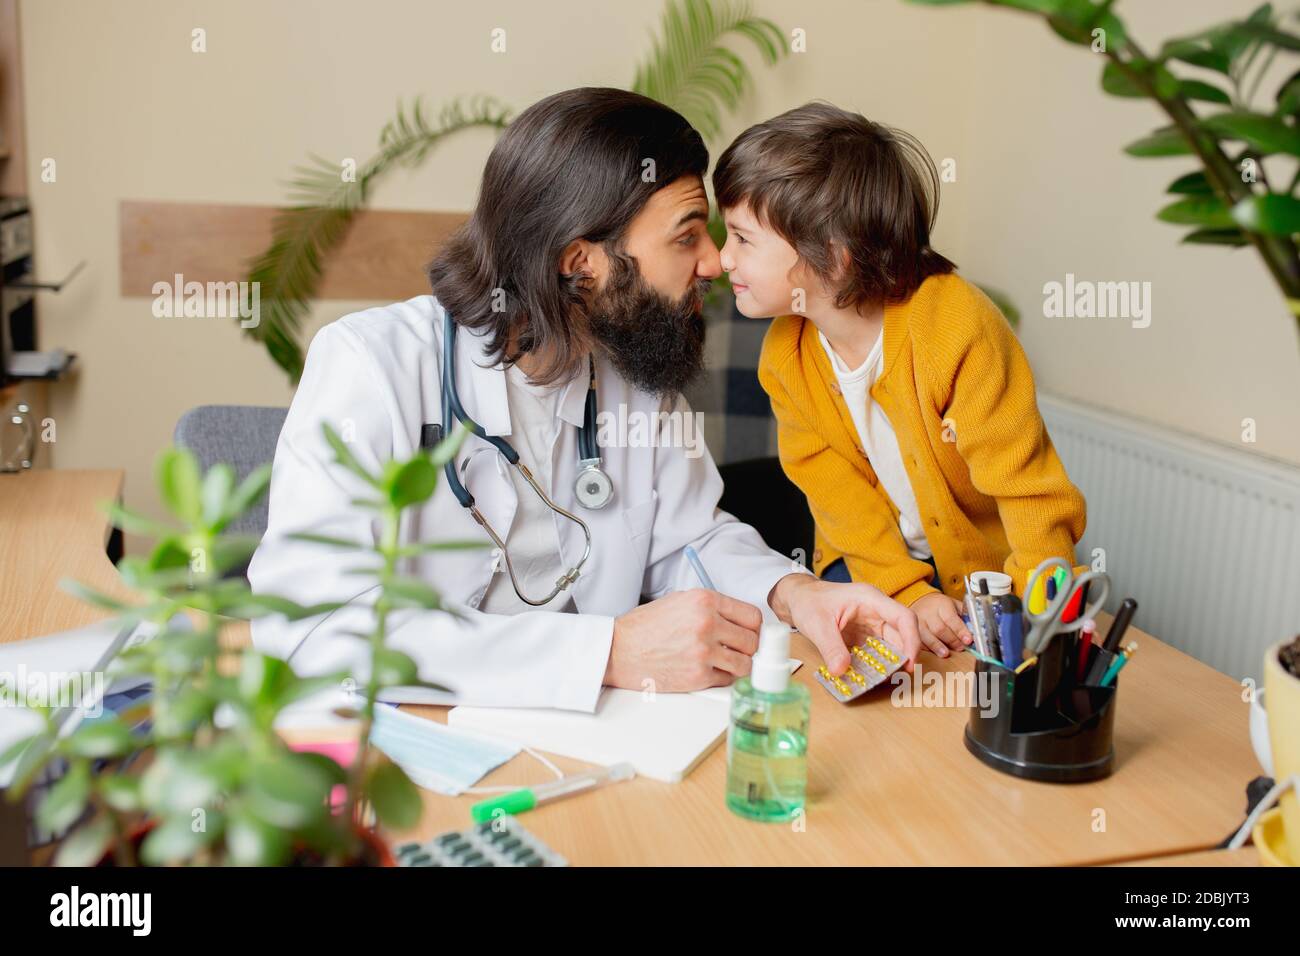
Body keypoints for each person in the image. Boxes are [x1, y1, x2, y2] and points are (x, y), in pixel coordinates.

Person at [248, 88, 920, 712]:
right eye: (687, 235)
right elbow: (311, 628)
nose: (713, 262)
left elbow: (690, 540)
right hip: (421, 740)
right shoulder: (374, 368)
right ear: (580, 263)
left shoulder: (631, 371)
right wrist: (606, 653)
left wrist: (795, 592)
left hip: (606, 738)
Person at [712, 102, 1086, 658]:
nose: (723, 259)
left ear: (832, 261)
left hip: (989, 574)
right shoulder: (784, 354)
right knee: (869, 679)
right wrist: (906, 591)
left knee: (997, 681)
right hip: (869, 562)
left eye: (742, 239)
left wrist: (1042, 613)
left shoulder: (956, 328)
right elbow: (836, 494)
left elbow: (1028, 491)